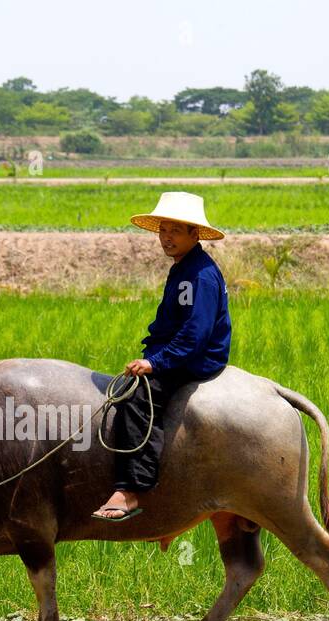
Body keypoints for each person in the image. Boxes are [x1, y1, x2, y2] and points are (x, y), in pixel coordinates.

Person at [92, 191, 231, 522]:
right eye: (162, 230)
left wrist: (156, 363)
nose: (166, 238)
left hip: (197, 358)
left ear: (194, 234)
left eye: (175, 231)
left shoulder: (200, 275)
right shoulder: (183, 267)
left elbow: (195, 335)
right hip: (178, 351)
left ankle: (130, 490)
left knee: (141, 398)